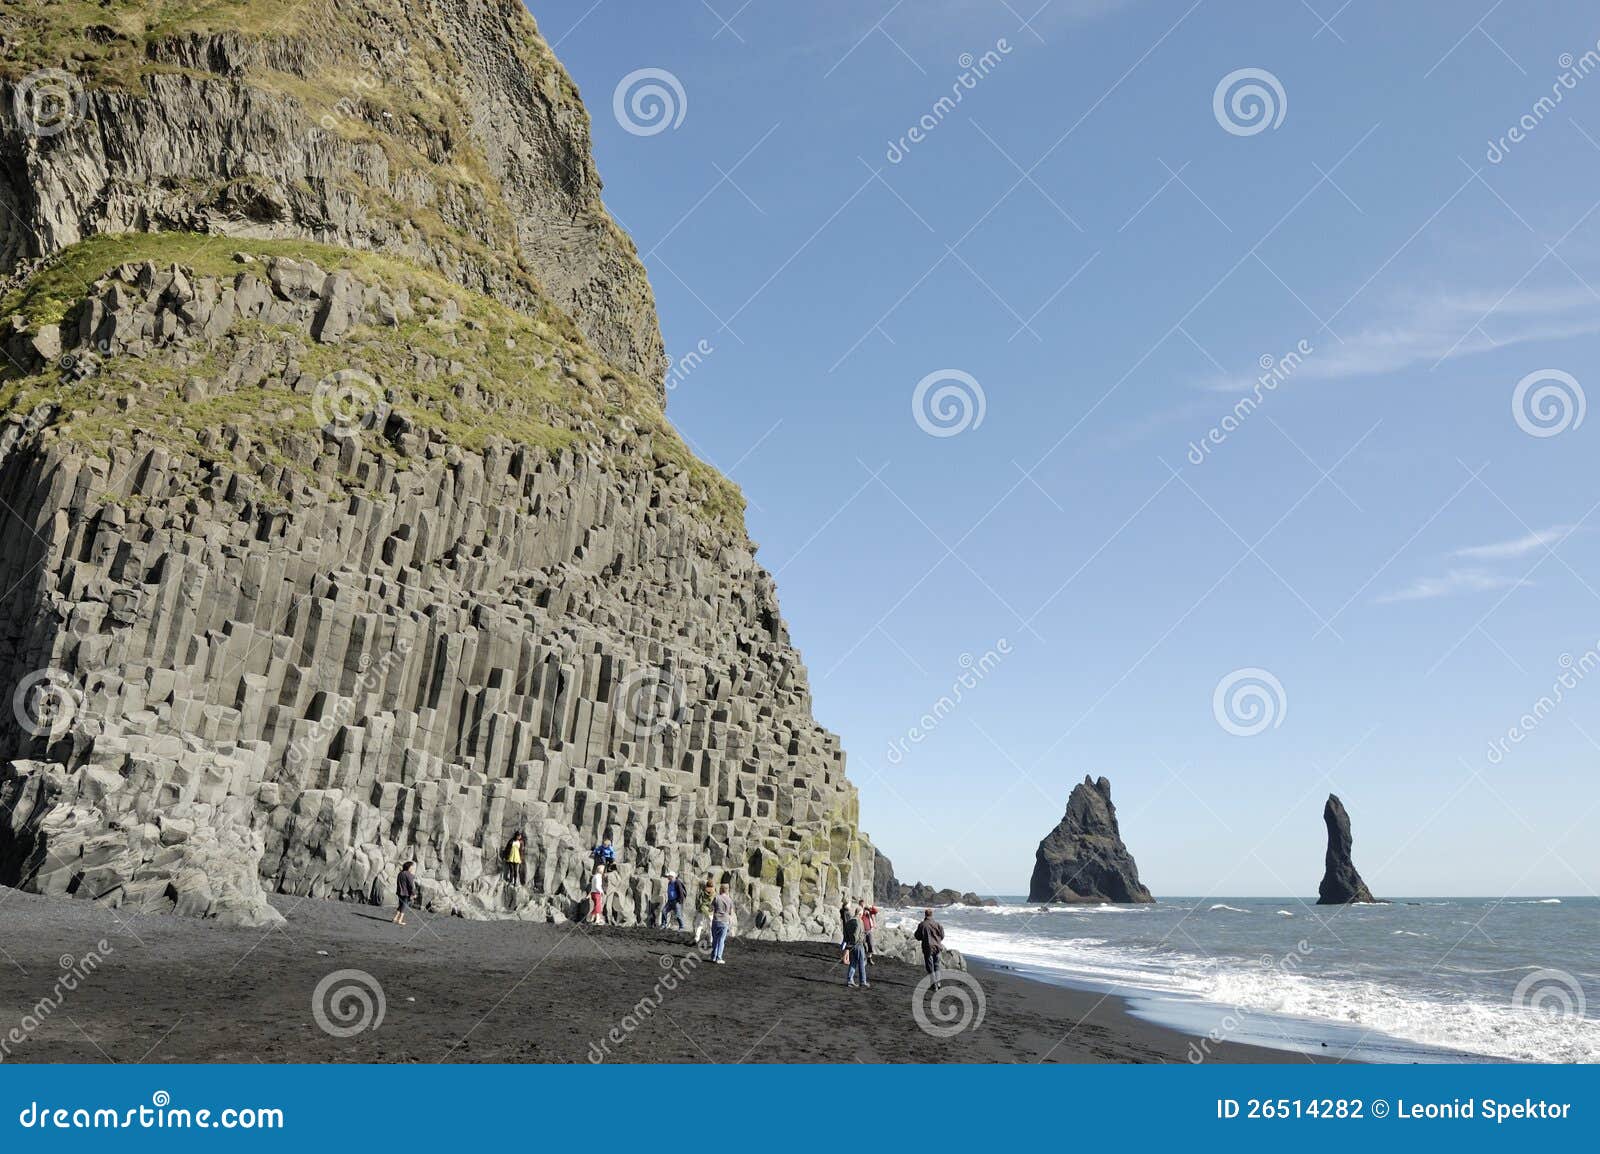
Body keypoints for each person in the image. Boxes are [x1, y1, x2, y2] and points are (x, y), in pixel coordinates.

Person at [913, 908, 945, 988]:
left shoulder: (922, 924)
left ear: (925, 914)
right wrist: (937, 940)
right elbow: (942, 936)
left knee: (930, 966)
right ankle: (938, 983)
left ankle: (933, 984)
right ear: (932, 914)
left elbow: (917, 936)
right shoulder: (938, 924)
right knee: (936, 965)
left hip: (928, 947)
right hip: (937, 947)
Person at [710, 883, 734, 964]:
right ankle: (719, 958)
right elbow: (730, 913)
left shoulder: (716, 897)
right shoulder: (729, 900)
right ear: (727, 890)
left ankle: (713, 957)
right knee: (721, 940)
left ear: (721, 889)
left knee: (715, 939)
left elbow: (710, 908)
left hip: (716, 920)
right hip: (724, 921)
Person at [693, 874, 716, 945]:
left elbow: (699, 900)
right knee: (710, 926)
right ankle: (711, 940)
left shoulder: (702, 891)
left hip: (702, 909)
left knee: (699, 924)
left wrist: (698, 907)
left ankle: (696, 938)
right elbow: (715, 901)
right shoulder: (714, 892)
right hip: (710, 911)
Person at [393, 861, 419, 927]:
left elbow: (398, 883)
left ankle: (395, 918)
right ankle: (400, 920)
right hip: (406, 893)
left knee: (401, 905)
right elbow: (411, 885)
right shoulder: (409, 874)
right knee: (404, 906)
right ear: (408, 867)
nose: (412, 868)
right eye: (411, 867)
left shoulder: (400, 873)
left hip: (399, 892)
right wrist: (414, 894)